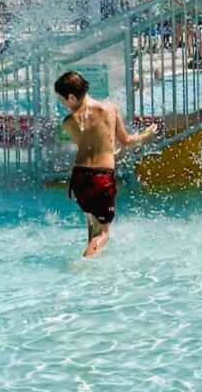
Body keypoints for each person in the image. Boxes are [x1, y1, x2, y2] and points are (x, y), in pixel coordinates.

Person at [54, 69, 156, 257]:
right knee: (103, 234)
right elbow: (125, 140)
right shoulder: (110, 109)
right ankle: (83, 265)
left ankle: (93, 271)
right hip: (101, 177)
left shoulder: (69, 121)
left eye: (62, 100)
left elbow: (86, 145)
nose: (63, 105)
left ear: (71, 96)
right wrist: (145, 134)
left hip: (80, 176)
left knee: (92, 226)